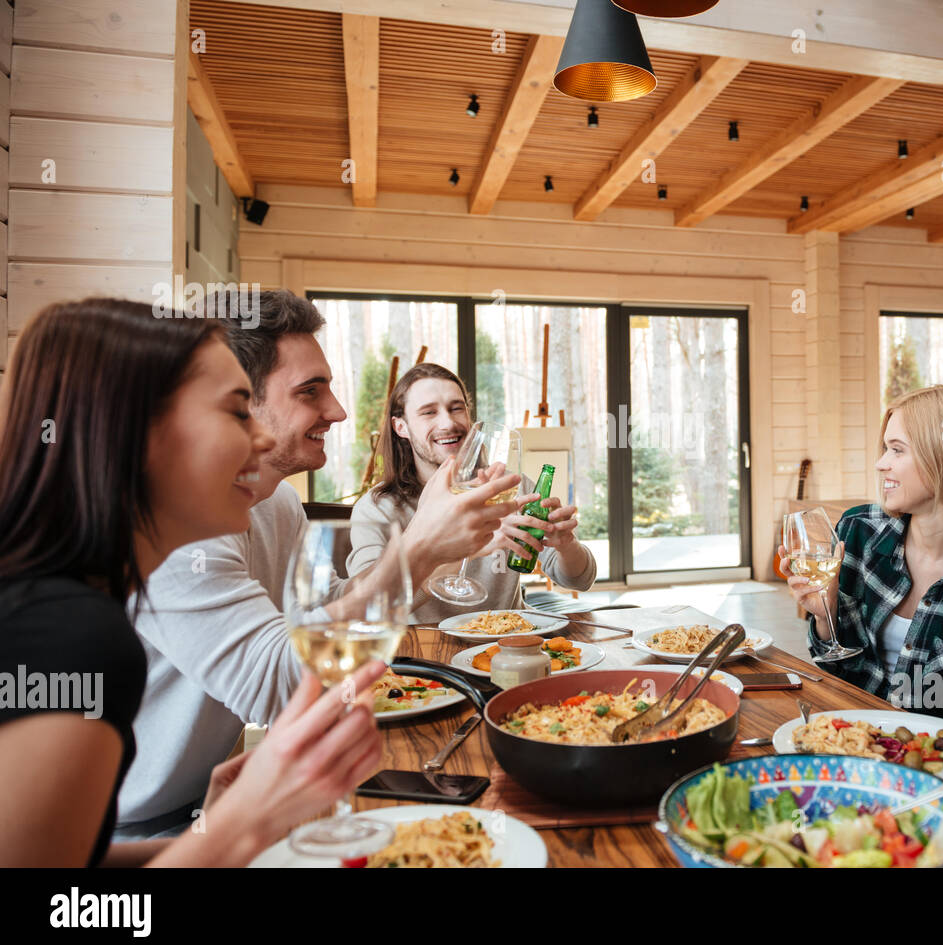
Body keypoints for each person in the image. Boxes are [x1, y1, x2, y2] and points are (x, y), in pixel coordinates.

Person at [115, 291, 521, 839]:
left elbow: (327, 612)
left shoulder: (277, 501)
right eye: (310, 391)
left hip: (219, 797)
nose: (338, 410)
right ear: (239, 399)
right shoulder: (176, 522)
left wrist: (435, 548)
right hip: (130, 833)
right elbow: (285, 682)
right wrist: (421, 548)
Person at [0, 298, 389, 866]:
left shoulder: (70, 604)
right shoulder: (71, 635)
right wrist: (244, 825)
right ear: (137, 431)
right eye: (236, 412)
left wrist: (216, 832)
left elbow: (65, 860)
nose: (258, 441)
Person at [779, 385, 943, 730]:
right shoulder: (859, 531)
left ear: (941, 458)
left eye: (897, 450)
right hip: (848, 734)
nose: (881, 464)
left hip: (934, 759)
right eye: (885, 449)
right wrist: (827, 614)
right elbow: (835, 670)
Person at [348, 363, 597, 621]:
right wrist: (465, 548)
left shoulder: (510, 487)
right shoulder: (376, 508)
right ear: (400, 427)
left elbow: (581, 580)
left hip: (507, 647)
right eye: (429, 412)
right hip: (423, 651)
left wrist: (567, 546)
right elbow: (367, 610)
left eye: (456, 408)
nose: (448, 422)